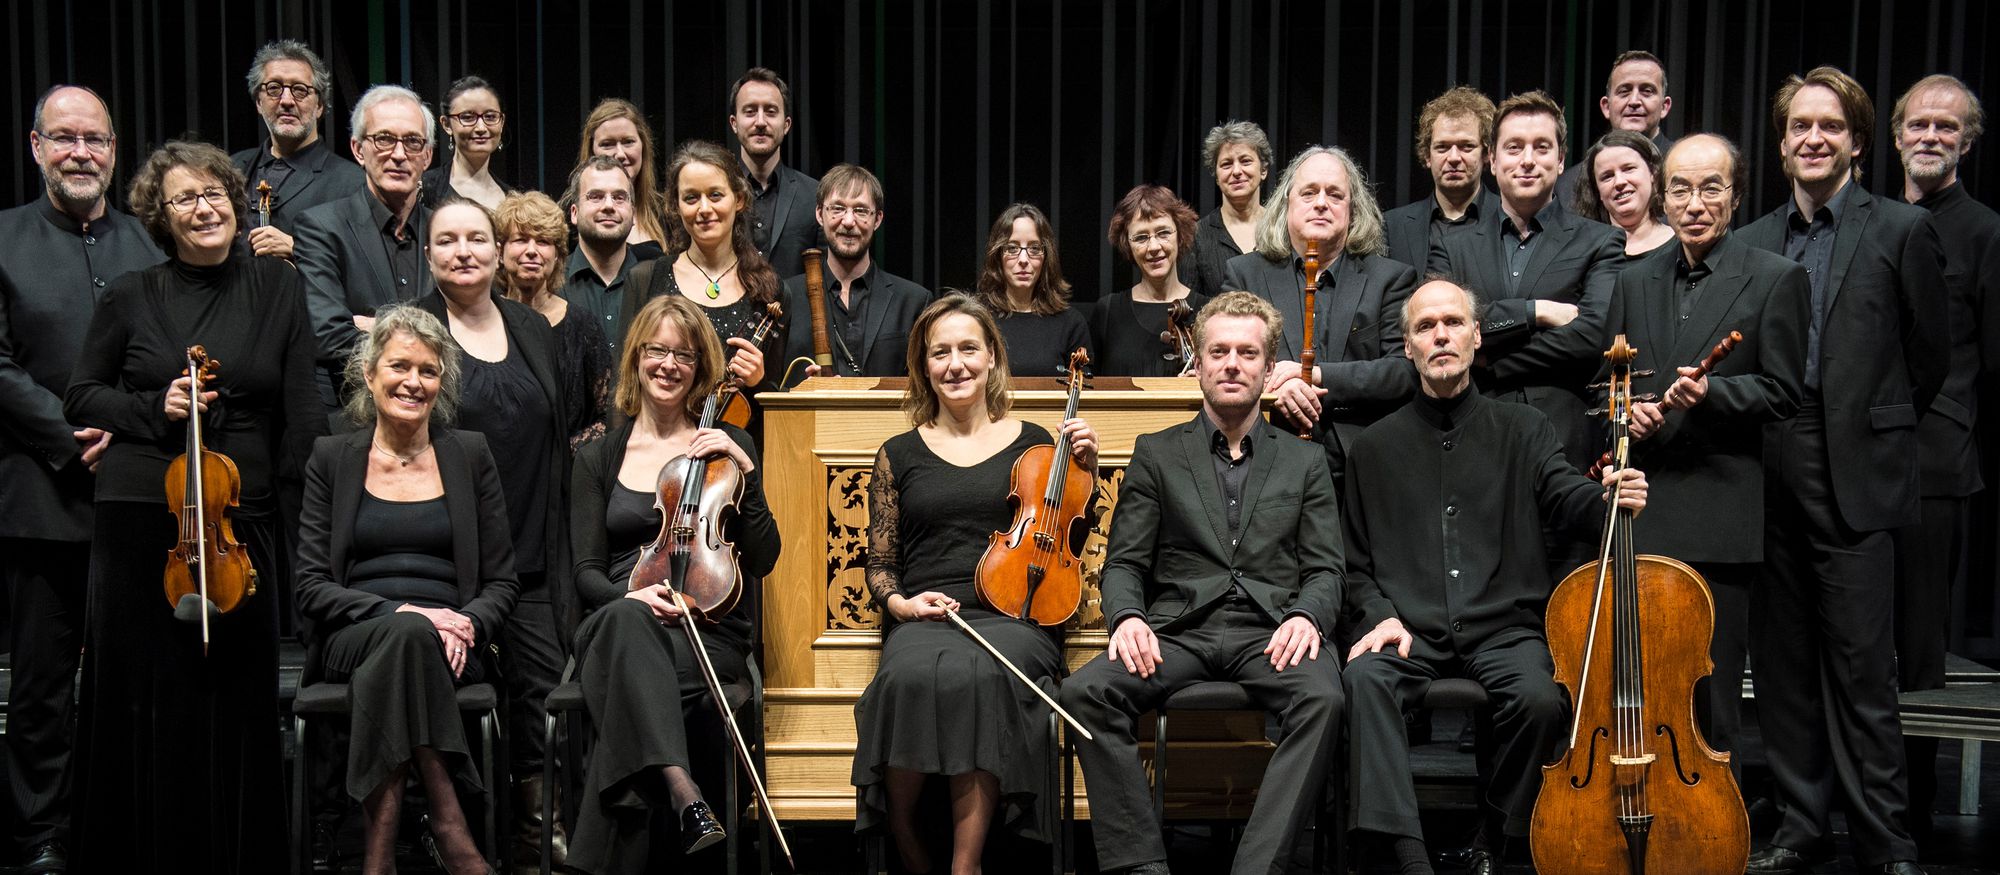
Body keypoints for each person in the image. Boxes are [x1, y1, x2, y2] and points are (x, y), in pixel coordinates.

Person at [63, 139, 325, 872]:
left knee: (234, 692)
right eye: (185, 198)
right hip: (143, 509)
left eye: (214, 193)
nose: (204, 208)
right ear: (160, 213)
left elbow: (302, 409)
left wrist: (305, 508)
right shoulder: (130, 292)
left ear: (236, 203)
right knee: (145, 694)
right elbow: (81, 393)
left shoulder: (279, 285)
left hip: (243, 516)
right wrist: (157, 404)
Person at [1342, 279, 1651, 875]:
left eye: (1453, 323)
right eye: (1425, 327)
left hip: (1502, 628)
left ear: (1477, 336)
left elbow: (1565, 494)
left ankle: (1498, 836)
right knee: (1364, 681)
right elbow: (1354, 564)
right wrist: (1379, 613)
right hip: (1408, 628)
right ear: (1407, 346)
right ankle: (1409, 855)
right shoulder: (1372, 448)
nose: (1440, 336)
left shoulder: (1524, 428)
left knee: (1539, 699)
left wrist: (1606, 499)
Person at [1736, 66, 1948, 875]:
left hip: (1854, 465)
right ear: (1784, 143)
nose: (1813, 138)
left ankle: (1885, 840)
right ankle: (1799, 824)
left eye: (1829, 126)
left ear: (1858, 141)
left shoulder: (1900, 230)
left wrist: (1870, 422)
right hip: (1769, 458)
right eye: (1799, 127)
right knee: (1783, 666)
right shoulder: (1754, 241)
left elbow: (1928, 357)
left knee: (1862, 670)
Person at [1062, 291, 1345, 875]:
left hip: (1270, 632)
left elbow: (1325, 569)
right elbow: (1124, 564)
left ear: (1269, 370)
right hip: (1179, 633)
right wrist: (1129, 618)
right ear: (1200, 364)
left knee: (1324, 696)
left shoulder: (1305, 462)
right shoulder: (1157, 454)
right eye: (1219, 351)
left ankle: (1256, 867)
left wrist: (1307, 615)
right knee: (1084, 693)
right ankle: (1143, 866)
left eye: (1248, 353)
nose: (1232, 364)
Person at [852, 293, 1099, 875]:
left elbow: (1066, 543)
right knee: (908, 676)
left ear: (992, 357)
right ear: (924, 364)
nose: (955, 364)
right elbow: (880, 563)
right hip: (928, 614)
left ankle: (966, 866)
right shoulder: (898, 454)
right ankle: (908, 835)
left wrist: (1084, 469)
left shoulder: (1038, 440)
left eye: (969, 348)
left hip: (1015, 615)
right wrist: (903, 605)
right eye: (941, 352)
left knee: (984, 676)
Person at [1597, 133, 1810, 781]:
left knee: (1710, 695)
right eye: (1682, 189)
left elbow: (1784, 392)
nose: (1695, 203)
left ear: (1736, 196)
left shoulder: (1776, 278)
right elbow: (1610, 384)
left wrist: (1714, 391)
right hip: (1646, 512)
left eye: (1711, 187)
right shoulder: (1632, 281)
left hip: (1720, 516)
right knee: (1638, 688)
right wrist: (1620, 417)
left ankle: (1712, 829)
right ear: (1664, 195)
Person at [294, 304, 521, 875]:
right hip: (354, 637)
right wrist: (408, 610)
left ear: (442, 383)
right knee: (405, 634)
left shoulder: (468, 455)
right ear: (369, 375)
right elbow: (312, 586)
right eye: (399, 366)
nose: (413, 382)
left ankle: (378, 853)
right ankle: (450, 827)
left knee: (407, 646)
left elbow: (501, 580)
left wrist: (468, 620)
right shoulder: (332, 457)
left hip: (452, 644)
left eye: (428, 370)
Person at [0, 84, 161, 875]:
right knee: (39, 686)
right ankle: (39, 838)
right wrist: (68, 437)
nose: (81, 154)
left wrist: (127, 429)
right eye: (63, 138)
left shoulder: (150, 243)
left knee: (135, 681)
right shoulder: (0, 239)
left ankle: (123, 823)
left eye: (95, 139)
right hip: (41, 495)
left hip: (141, 496)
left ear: (114, 148)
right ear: (36, 147)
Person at [565, 294, 782, 873]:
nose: (668, 364)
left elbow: (764, 558)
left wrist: (748, 470)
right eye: (656, 350)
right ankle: (685, 793)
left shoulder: (725, 451)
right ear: (636, 358)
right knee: (624, 624)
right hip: (619, 614)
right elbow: (585, 571)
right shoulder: (596, 457)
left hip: (704, 629)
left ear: (701, 367)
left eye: (683, 355)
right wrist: (629, 596)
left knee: (630, 675)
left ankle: (611, 844)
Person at [414, 197, 577, 872]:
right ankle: (455, 834)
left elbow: (559, 433)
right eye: (447, 240)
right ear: (429, 254)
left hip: (535, 554)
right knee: (459, 705)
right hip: (452, 563)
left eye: (477, 238)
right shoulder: (417, 328)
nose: (464, 251)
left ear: (500, 248)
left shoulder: (531, 327)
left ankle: (540, 838)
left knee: (544, 697)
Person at [1891, 73, 1999, 846]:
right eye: (1918, 124)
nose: (1931, 136)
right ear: (1895, 135)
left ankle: (1915, 806)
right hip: (1857, 460)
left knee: (1919, 648)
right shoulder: (1875, 220)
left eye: (1946, 126)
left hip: (1936, 467)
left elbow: (1991, 361)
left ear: (1967, 141)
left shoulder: (1986, 231)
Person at [1429, 90, 1625, 476]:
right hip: (1470, 436)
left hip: (1566, 443)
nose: (1528, 160)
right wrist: (1534, 313)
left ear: (1561, 159)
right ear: (1492, 158)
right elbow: (1442, 326)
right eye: (1514, 147)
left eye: (1542, 147)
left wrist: (1486, 361)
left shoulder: (1600, 241)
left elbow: (1593, 338)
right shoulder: (1451, 244)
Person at [1223, 146, 1419, 493]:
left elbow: (1403, 372)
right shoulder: (1244, 275)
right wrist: (1274, 387)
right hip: (1264, 460)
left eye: (1335, 194)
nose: (1321, 203)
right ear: (1286, 206)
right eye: (1309, 192)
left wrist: (1315, 375)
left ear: (1352, 210)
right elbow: (1223, 358)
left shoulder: (1391, 279)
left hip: (1360, 465)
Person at [295, 84, 436, 408]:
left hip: (436, 419)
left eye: (412, 141)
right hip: (353, 419)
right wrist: (424, 338)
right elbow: (329, 335)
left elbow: (467, 328)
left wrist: (371, 324)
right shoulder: (321, 226)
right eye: (384, 139)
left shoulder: (445, 230)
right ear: (358, 149)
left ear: (427, 156)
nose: (399, 154)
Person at [629, 140, 787, 406]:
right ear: (676, 206)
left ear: (738, 199)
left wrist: (758, 382)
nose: (704, 209)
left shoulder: (770, 289)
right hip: (661, 442)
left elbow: (777, 404)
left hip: (738, 443)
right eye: (691, 198)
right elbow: (625, 386)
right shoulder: (645, 278)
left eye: (715, 195)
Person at [779, 163, 933, 382]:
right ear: (820, 215)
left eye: (860, 210)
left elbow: (926, 390)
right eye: (838, 208)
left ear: (877, 219)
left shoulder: (914, 302)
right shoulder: (787, 297)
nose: (849, 221)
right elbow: (773, 388)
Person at [230, 40, 365, 259]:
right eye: (274, 88)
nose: (286, 101)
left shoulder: (352, 183)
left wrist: (298, 248)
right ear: (258, 102)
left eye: (300, 90)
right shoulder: (230, 169)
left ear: (319, 105)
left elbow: (364, 264)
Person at [497, 191, 611, 448]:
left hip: (567, 477)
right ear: (499, 251)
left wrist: (562, 455)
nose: (531, 251)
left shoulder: (583, 326)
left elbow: (608, 416)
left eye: (543, 241)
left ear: (558, 255)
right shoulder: (483, 320)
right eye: (520, 239)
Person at [1089, 184, 1209, 377]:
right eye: (1141, 237)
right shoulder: (1108, 312)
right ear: (1127, 244)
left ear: (1180, 235)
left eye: (1163, 233)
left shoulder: (1209, 312)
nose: (1153, 246)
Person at [1383, 87, 1501, 269]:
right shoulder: (1391, 227)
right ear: (1427, 156)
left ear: (1487, 153)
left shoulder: (1508, 220)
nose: (1453, 157)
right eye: (1442, 147)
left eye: (1466, 146)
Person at [974, 203, 1093, 378]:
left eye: (1034, 248)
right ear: (997, 256)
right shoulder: (976, 318)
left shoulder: (1071, 323)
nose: (1023, 259)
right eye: (1012, 248)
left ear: (1047, 257)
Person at [730, 67, 821, 279]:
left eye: (771, 111)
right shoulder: (714, 195)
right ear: (734, 123)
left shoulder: (814, 196)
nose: (760, 122)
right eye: (750, 111)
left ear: (786, 124)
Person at [1554, 50, 1676, 208]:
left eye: (1647, 91)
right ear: (1606, 107)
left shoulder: (1687, 168)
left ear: (1664, 106)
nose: (1634, 101)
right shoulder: (1569, 185)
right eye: (1624, 91)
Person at [562, 155, 645, 366]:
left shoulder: (655, 282)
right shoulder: (551, 283)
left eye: (619, 197)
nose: (609, 206)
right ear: (574, 213)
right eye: (595, 197)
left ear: (633, 215)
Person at [1188, 121, 1273, 299]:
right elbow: (1191, 309)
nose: (1236, 171)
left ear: (1263, 170)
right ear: (1217, 176)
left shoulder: (1283, 228)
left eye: (1245, 161)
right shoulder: (1197, 236)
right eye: (1226, 164)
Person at [576, 98, 668, 255]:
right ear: (592, 151)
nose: (619, 154)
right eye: (607, 144)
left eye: (628, 142)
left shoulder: (667, 212)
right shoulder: (571, 215)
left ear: (643, 146)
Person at [1571, 130, 1674, 258]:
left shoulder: (1681, 246)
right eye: (1607, 176)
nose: (1619, 182)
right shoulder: (1581, 253)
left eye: (1628, 169)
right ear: (1597, 191)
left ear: (1653, 172)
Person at [424, 75, 512, 210]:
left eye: (490, 117)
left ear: (502, 122)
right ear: (446, 124)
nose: (481, 128)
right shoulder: (425, 189)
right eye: (468, 117)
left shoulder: (512, 200)